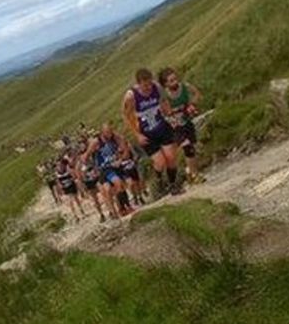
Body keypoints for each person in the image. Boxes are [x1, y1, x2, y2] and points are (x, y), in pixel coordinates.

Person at [123, 68, 182, 197]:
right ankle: (160, 181)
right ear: (138, 83)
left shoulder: (157, 87)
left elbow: (164, 101)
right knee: (160, 162)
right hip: (146, 133)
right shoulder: (131, 96)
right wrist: (137, 134)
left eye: (150, 83)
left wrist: (169, 113)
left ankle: (173, 186)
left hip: (161, 126)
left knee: (171, 158)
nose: (149, 87)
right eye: (145, 85)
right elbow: (126, 117)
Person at [158, 67, 205, 184]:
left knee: (192, 149)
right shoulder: (164, 97)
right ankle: (195, 175)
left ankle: (189, 171)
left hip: (186, 121)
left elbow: (197, 93)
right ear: (165, 84)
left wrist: (192, 104)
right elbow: (164, 113)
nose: (175, 82)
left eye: (175, 79)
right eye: (171, 81)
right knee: (188, 147)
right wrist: (173, 114)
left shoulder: (184, 86)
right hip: (174, 127)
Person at [83, 122, 135, 218]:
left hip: (116, 165)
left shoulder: (116, 138)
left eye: (110, 132)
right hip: (105, 168)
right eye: (107, 132)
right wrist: (89, 167)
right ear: (102, 132)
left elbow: (126, 151)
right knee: (117, 183)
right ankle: (124, 208)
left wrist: (121, 159)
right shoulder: (96, 142)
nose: (109, 134)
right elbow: (85, 156)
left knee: (128, 183)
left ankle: (123, 207)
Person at [76, 149, 107, 222]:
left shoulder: (91, 161)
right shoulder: (78, 165)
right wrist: (83, 189)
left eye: (84, 155)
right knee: (95, 199)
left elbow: (97, 169)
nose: (84, 157)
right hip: (88, 183)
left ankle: (110, 209)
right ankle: (101, 214)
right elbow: (79, 178)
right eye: (81, 156)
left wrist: (97, 174)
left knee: (103, 193)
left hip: (96, 179)